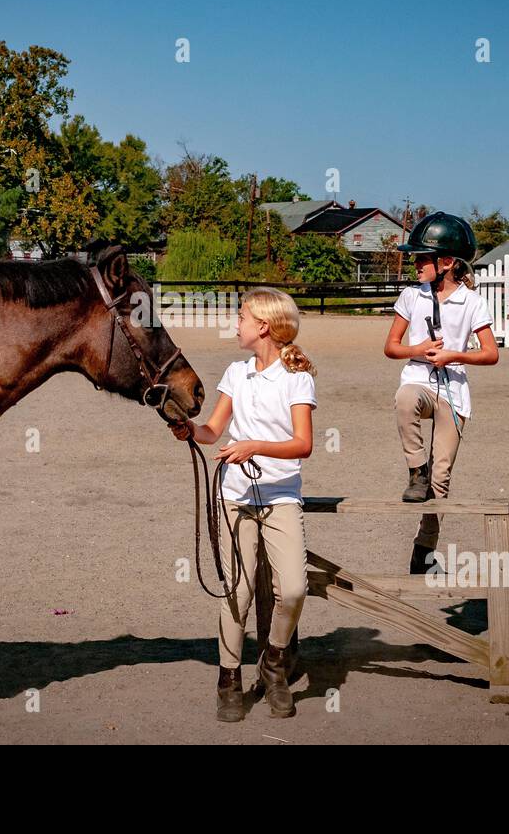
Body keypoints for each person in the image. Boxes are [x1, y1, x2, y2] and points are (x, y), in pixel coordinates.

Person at [168, 287, 316, 721]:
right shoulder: (235, 372)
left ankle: (273, 660)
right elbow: (214, 430)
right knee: (238, 588)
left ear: (263, 327)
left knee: (293, 588)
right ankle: (229, 677)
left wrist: (253, 446)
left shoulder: (297, 378)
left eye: (243, 317)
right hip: (235, 496)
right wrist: (190, 430)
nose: (236, 323)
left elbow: (303, 444)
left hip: (280, 495)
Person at [383, 211, 499, 573]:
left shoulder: (472, 301)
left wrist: (453, 354)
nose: (415, 264)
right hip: (418, 378)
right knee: (404, 400)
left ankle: (424, 547)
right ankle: (416, 470)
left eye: (422, 258)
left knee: (442, 478)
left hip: (454, 388)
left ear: (446, 262)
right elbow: (391, 346)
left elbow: (491, 353)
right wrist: (419, 350)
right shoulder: (410, 296)